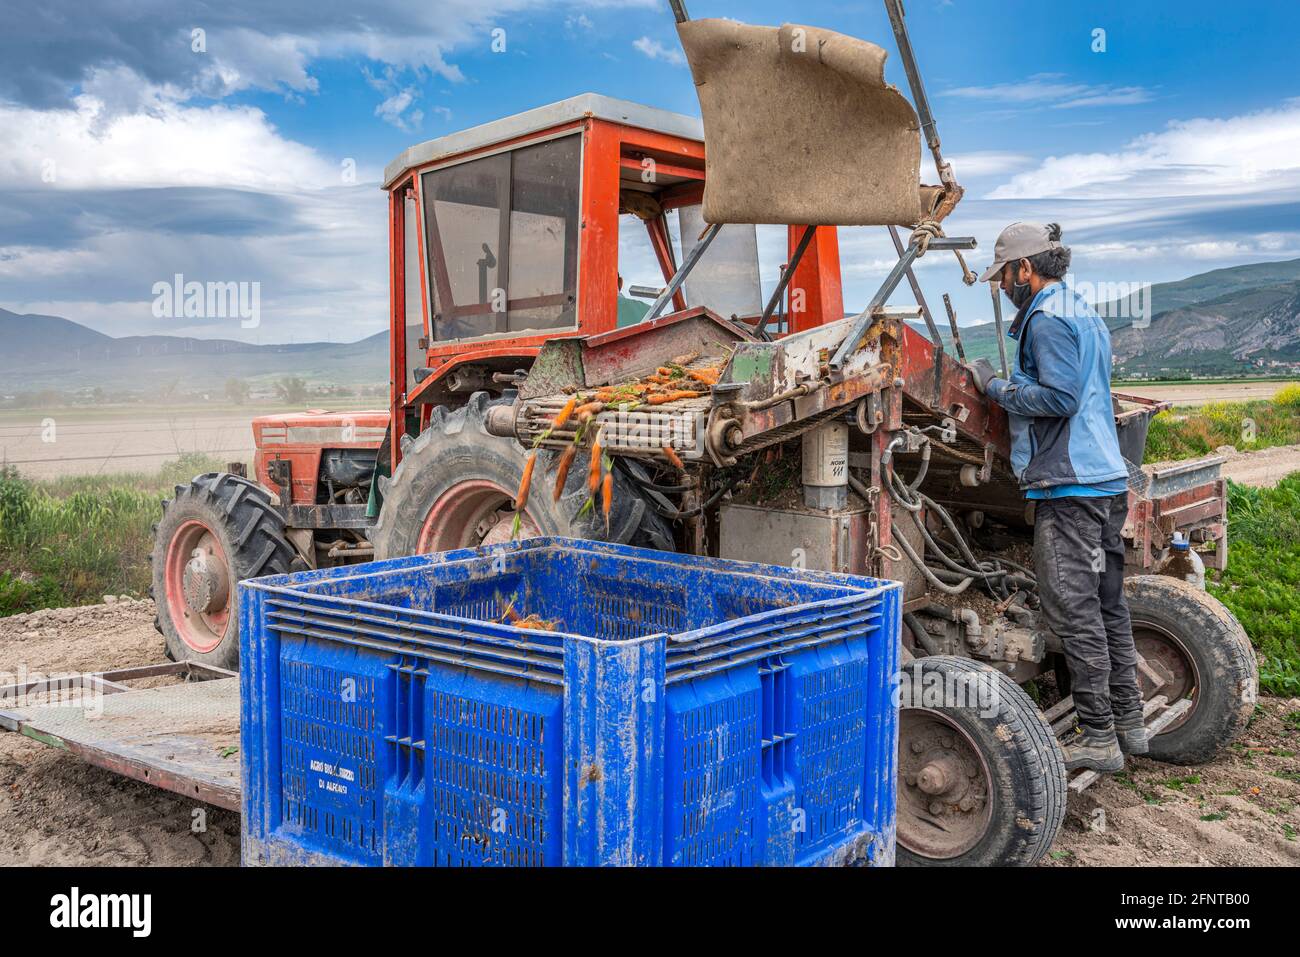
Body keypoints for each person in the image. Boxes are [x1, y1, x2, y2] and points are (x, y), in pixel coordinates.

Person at [966, 222, 1146, 773]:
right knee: (1107, 604)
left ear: (1026, 268)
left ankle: (1097, 736)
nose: (999, 287)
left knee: (1073, 606)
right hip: (1106, 478)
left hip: (1071, 486)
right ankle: (1129, 722)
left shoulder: (1044, 319)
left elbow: (1061, 397)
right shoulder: (1083, 310)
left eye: (1003, 277)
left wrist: (993, 387)